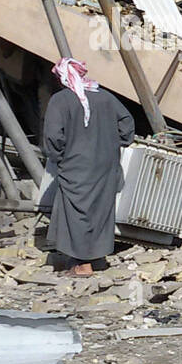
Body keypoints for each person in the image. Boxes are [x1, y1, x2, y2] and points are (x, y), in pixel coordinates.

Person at [43, 58, 135, 277]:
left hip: (76, 164)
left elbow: (53, 137)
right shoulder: (105, 97)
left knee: (77, 212)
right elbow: (127, 124)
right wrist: (114, 143)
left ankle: (83, 265)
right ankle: (97, 259)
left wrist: (58, 157)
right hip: (106, 165)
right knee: (100, 210)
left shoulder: (60, 100)